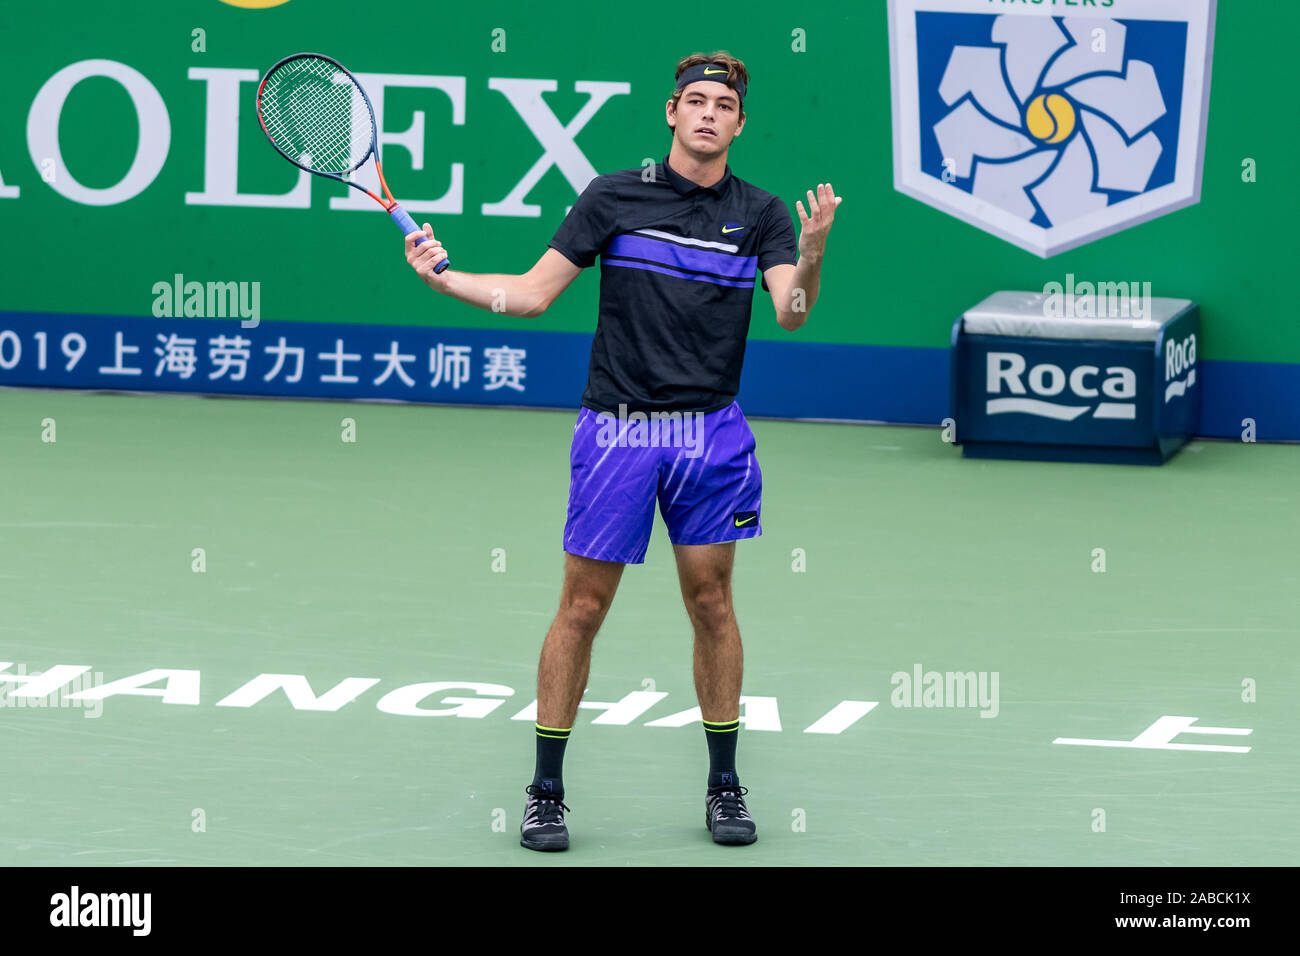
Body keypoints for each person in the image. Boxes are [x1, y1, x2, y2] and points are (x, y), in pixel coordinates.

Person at [404, 50, 841, 851]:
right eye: (695, 101)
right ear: (671, 113)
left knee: (711, 603)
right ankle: (545, 791)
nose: (709, 113)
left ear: (740, 124)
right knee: (582, 607)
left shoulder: (767, 214)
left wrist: (811, 251)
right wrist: (447, 280)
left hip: (710, 433)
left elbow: (793, 313)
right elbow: (534, 294)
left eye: (724, 106)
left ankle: (723, 784)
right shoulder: (614, 196)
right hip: (620, 430)